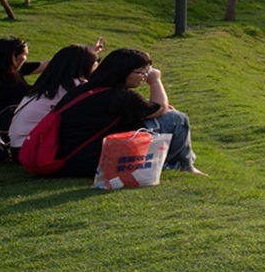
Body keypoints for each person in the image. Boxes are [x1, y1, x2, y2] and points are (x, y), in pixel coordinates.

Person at [55, 48, 200, 176]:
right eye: (141, 72)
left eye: (147, 72)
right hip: (93, 163)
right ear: (122, 72)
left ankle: (177, 163)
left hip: (70, 159)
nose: (144, 76)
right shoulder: (119, 97)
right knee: (176, 118)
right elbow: (160, 108)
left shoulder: (84, 89)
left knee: (164, 116)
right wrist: (155, 81)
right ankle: (185, 165)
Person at [8, 41, 103, 154]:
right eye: (95, 62)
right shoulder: (76, 87)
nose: (96, 65)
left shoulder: (48, 85)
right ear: (85, 64)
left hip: (17, 146)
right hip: (31, 149)